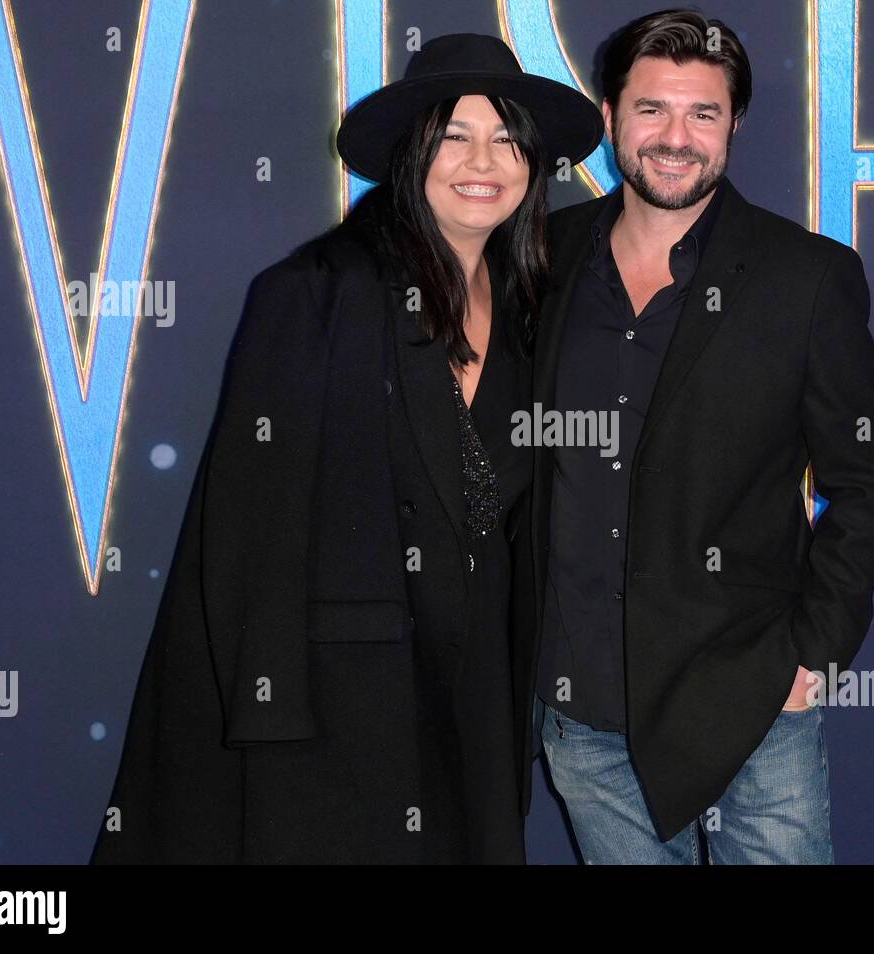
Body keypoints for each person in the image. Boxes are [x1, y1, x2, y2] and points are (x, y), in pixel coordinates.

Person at [91, 33, 602, 864]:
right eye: (455, 137)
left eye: (508, 138)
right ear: (411, 153)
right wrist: (267, 712)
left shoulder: (531, 313)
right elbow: (251, 523)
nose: (485, 161)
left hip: (475, 701)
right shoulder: (317, 294)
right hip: (338, 703)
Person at [529, 10, 874, 863]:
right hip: (582, 706)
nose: (675, 138)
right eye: (652, 109)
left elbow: (866, 480)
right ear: (612, 116)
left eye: (703, 113)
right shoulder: (541, 259)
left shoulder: (806, 278)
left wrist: (815, 657)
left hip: (748, 701)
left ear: (733, 124)